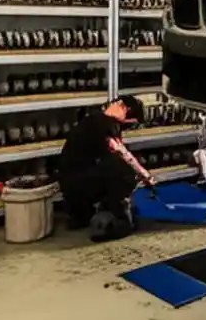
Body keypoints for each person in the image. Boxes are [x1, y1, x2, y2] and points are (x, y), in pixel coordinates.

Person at [58, 95, 156, 242]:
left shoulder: (93, 120)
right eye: (129, 122)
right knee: (123, 170)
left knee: (115, 166)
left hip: (71, 184)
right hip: (77, 185)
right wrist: (145, 176)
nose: (127, 126)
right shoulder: (103, 124)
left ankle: (81, 215)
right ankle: (117, 216)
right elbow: (122, 154)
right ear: (123, 108)